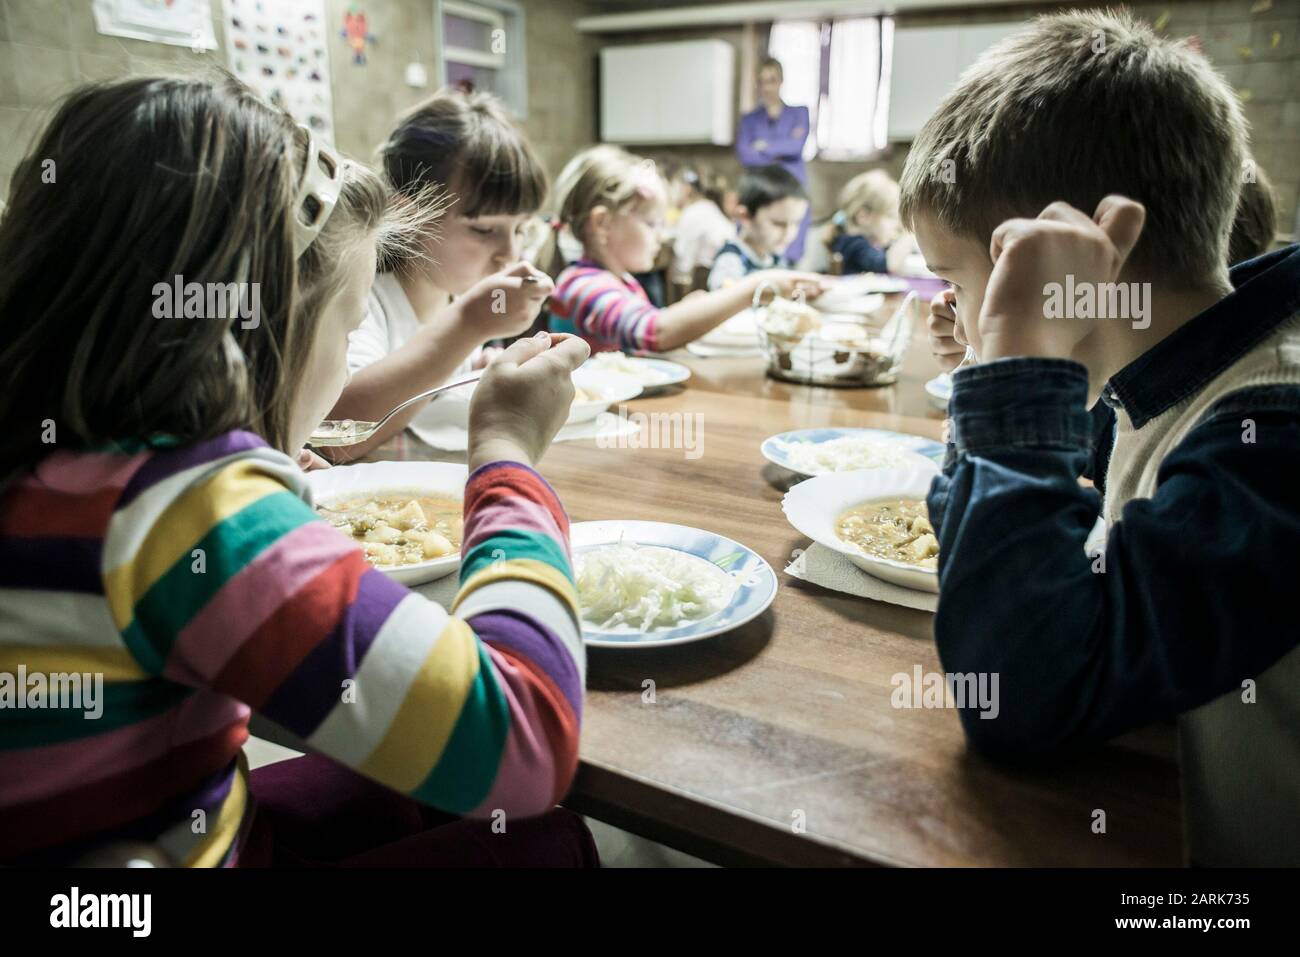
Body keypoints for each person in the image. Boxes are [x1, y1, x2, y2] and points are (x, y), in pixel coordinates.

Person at [0, 74, 596, 867]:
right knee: (543, 838)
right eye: (348, 323)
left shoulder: (58, 460)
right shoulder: (186, 506)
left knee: (391, 780)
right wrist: (507, 452)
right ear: (262, 334)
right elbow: (526, 744)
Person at [900, 10, 1300, 866]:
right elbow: (977, 551)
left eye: (953, 276)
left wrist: (1017, 358)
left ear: (1064, 256)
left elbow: (1014, 695)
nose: (963, 312)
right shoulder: (1164, 367)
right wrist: (1024, 372)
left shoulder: (1271, 430)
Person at [328, 89, 554, 460]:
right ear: (409, 216)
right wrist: (467, 327)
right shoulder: (362, 301)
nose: (509, 255)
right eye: (484, 230)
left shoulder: (453, 293)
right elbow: (337, 435)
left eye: (520, 230)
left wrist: (475, 370)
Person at [547, 145, 824, 353]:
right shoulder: (582, 285)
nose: (662, 235)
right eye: (651, 223)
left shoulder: (619, 281)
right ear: (602, 223)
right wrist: (755, 287)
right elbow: (654, 333)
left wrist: (680, 310)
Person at [736, 57, 811, 262]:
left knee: (790, 250)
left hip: (791, 192)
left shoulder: (799, 114)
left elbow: (795, 146)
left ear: (781, 81)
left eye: (772, 80)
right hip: (762, 192)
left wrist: (763, 146)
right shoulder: (749, 120)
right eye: (762, 81)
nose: (767, 87)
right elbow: (745, 155)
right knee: (757, 252)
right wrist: (780, 152)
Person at [707, 165, 809, 290]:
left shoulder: (775, 258)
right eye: (778, 223)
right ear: (745, 216)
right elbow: (721, 302)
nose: (789, 233)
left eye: (796, 223)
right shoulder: (731, 260)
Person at [668, 165, 735, 295]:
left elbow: (682, 266)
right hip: (723, 284)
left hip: (704, 288)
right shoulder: (712, 209)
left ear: (686, 188)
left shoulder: (694, 212)